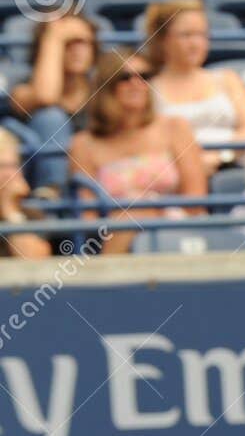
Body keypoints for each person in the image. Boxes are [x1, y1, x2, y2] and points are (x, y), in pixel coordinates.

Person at [68, 50, 207, 255]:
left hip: (176, 224)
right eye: (125, 77)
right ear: (106, 86)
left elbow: (195, 200)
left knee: (133, 216)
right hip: (113, 231)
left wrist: (148, 212)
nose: (137, 83)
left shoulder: (175, 128)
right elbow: (88, 215)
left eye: (144, 76)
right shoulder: (84, 144)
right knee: (127, 220)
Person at [143, 0, 245, 174]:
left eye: (202, 35)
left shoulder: (227, 79)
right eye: (186, 35)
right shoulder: (148, 88)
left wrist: (222, 157)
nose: (196, 44)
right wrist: (192, 164)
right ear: (162, 40)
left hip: (235, 167)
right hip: (176, 174)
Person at [9, 14, 100, 191]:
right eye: (67, 43)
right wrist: (53, 37)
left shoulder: (103, 90)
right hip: (37, 184)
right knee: (50, 117)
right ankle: (53, 199)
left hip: (96, 182)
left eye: (82, 42)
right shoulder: (23, 89)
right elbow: (45, 97)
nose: (76, 50)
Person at [0, 129, 54, 259]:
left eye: (13, 166)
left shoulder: (31, 214)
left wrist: (9, 210)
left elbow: (34, 261)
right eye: (1, 166)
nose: (9, 174)